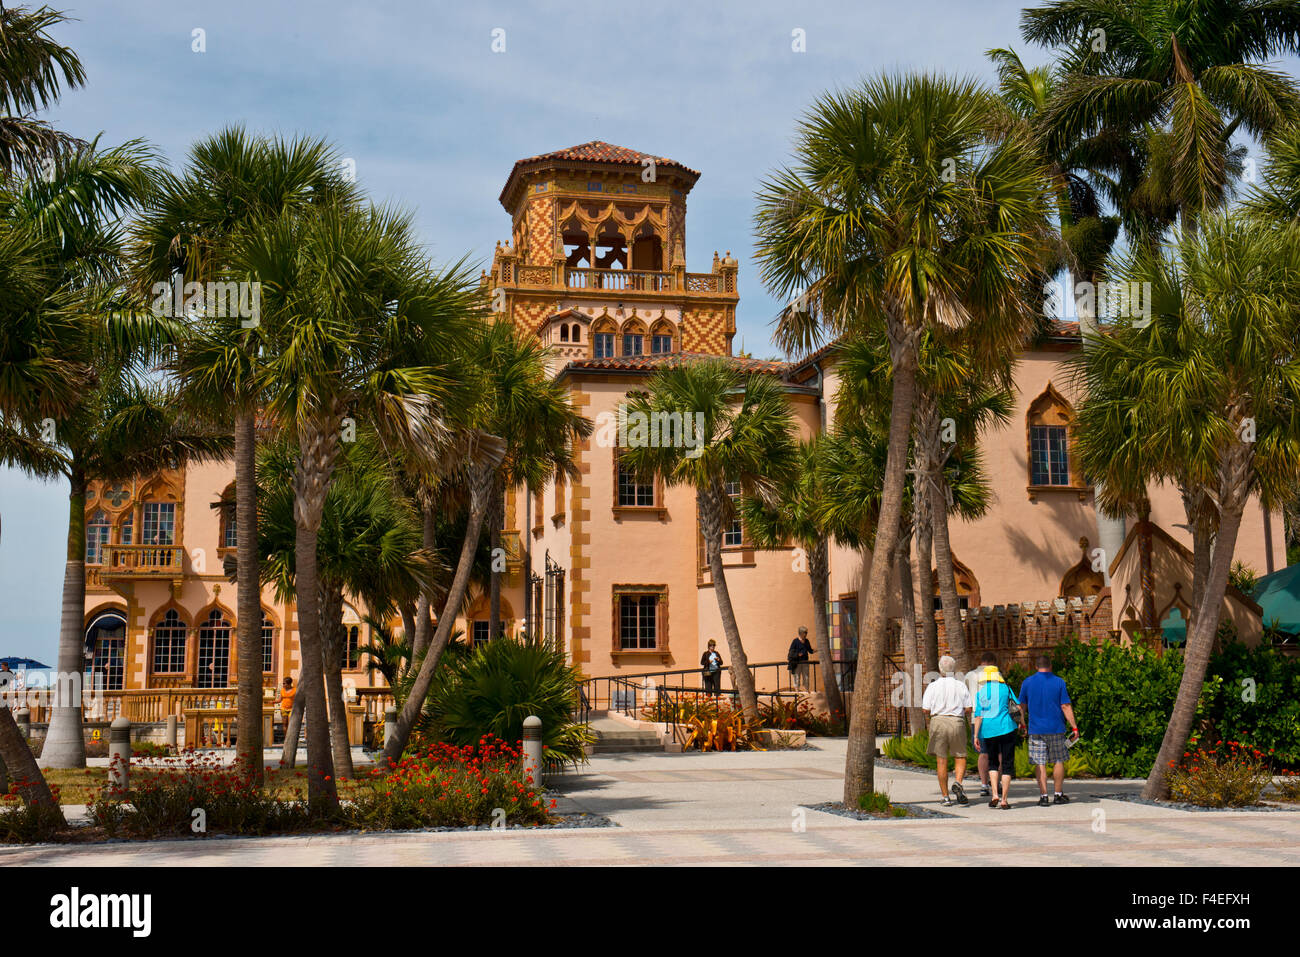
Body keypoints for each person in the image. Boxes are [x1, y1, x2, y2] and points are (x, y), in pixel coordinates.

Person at [1019, 654, 1080, 806]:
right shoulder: (1059, 682)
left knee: (1040, 763)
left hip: (1036, 729)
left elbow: (1022, 707)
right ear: (1050, 666)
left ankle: (1044, 796)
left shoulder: (1027, 682)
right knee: (1058, 760)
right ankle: (1058, 794)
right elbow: (1065, 706)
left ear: (1035, 666)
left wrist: (1022, 724)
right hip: (1056, 728)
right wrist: (1074, 727)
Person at [972, 652, 1024, 810]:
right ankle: (1004, 799)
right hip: (1007, 728)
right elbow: (1018, 707)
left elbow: (978, 716)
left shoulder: (980, 693)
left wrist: (976, 735)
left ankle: (994, 794)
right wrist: (1022, 723)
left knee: (992, 763)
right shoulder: (1006, 688)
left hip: (988, 731)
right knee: (1007, 764)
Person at [921, 655, 972, 806]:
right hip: (956, 721)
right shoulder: (960, 685)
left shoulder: (932, 686)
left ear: (940, 669)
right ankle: (958, 782)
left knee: (941, 760)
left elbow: (925, 709)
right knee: (960, 756)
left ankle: (945, 797)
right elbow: (968, 708)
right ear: (954, 669)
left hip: (938, 721)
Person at [787, 626, 813, 691]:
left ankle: (807, 691)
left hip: (805, 662)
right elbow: (791, 651)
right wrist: (798, 654)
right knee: (797, 677)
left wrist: (819, 649)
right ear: (801, 633)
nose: (806, 634)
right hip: (797, 662)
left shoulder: (807, 641)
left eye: (806, 633)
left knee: (806, 677)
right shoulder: (795, 641)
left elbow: (810, 651)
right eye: (805, 633)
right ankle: (797, 692)